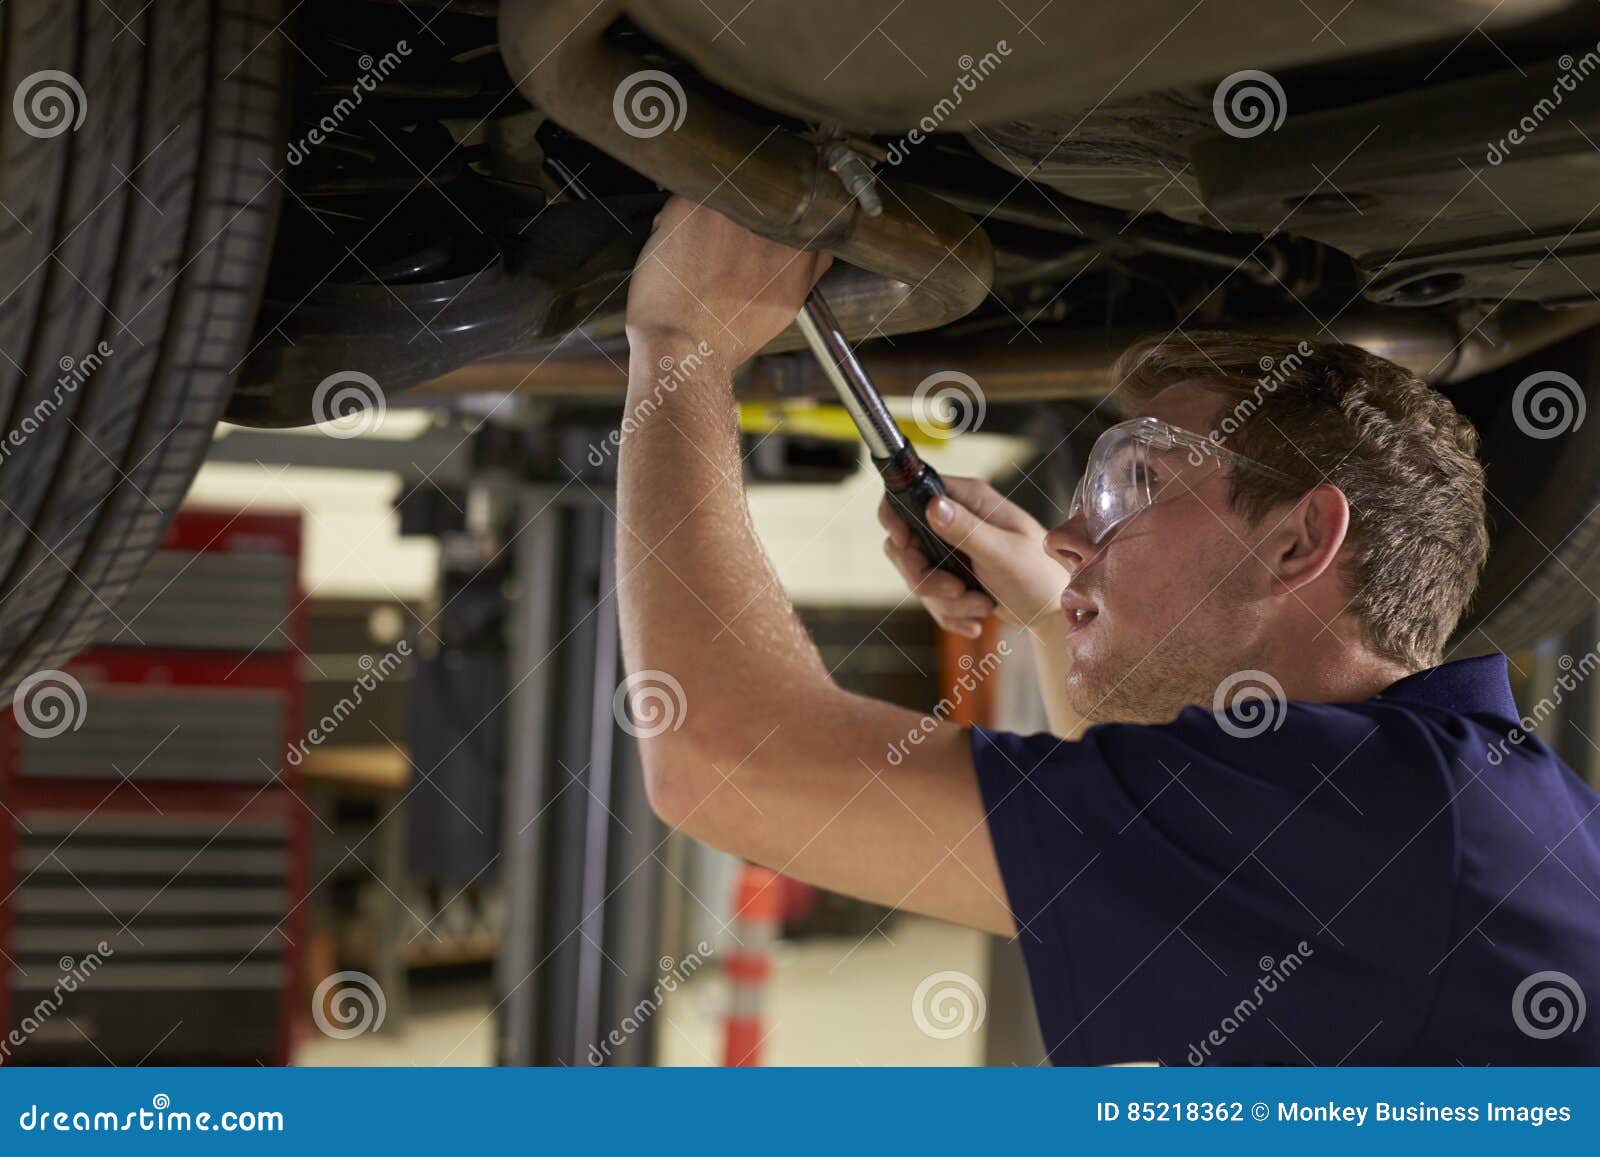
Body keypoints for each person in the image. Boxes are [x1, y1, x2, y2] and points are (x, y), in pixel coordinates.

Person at [615, 196, 1600, 1065]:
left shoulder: (1372, 818)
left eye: (1135, 483)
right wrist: (1059, 607)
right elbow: (1164, 826)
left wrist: (684, 346)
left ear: (1299, 539)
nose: (1063, 535)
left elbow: (722, 757)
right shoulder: (1433, 796)